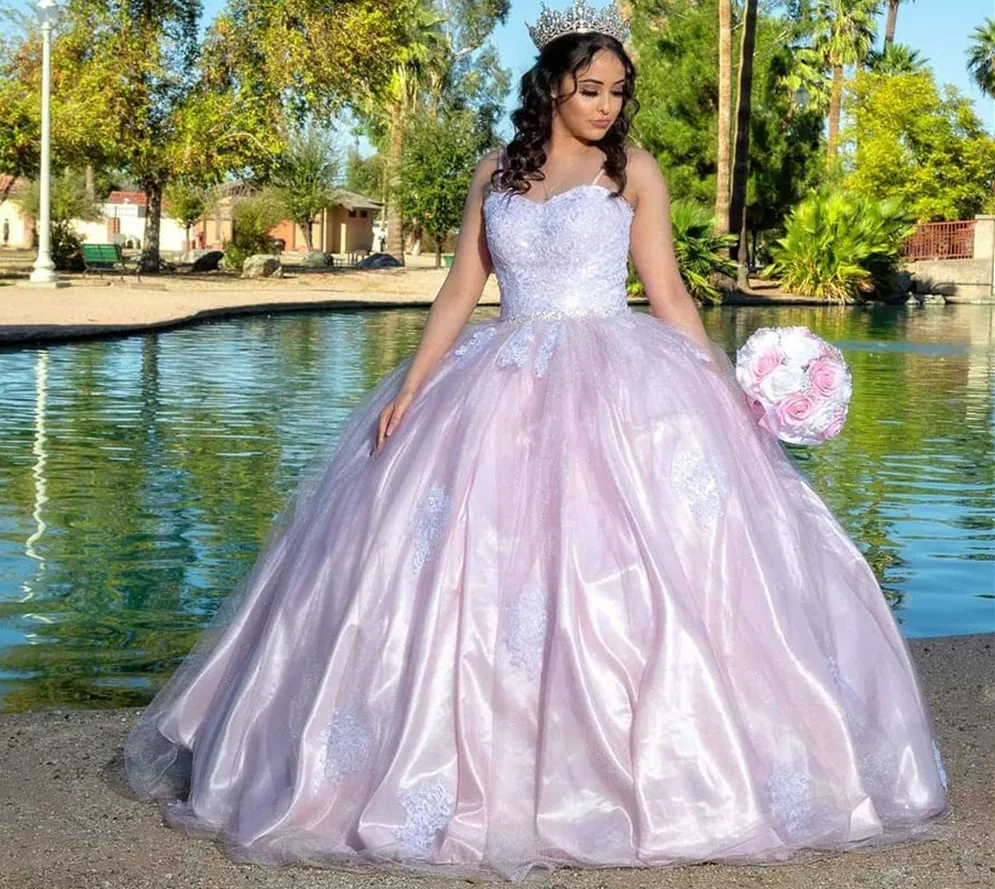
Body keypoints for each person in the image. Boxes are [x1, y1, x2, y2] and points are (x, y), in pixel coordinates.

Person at [124, 1, 950, 881]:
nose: (604, 104)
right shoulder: (493, 172)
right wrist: (410, 387)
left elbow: (666, 294)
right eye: (589, 88)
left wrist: (725, 389)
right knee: (470, 576)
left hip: (617, 376)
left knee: (620, 570)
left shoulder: (633, 170)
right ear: (551, 84)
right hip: (496, 381)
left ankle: (634, 778)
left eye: (616, 91)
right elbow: (457, 290)